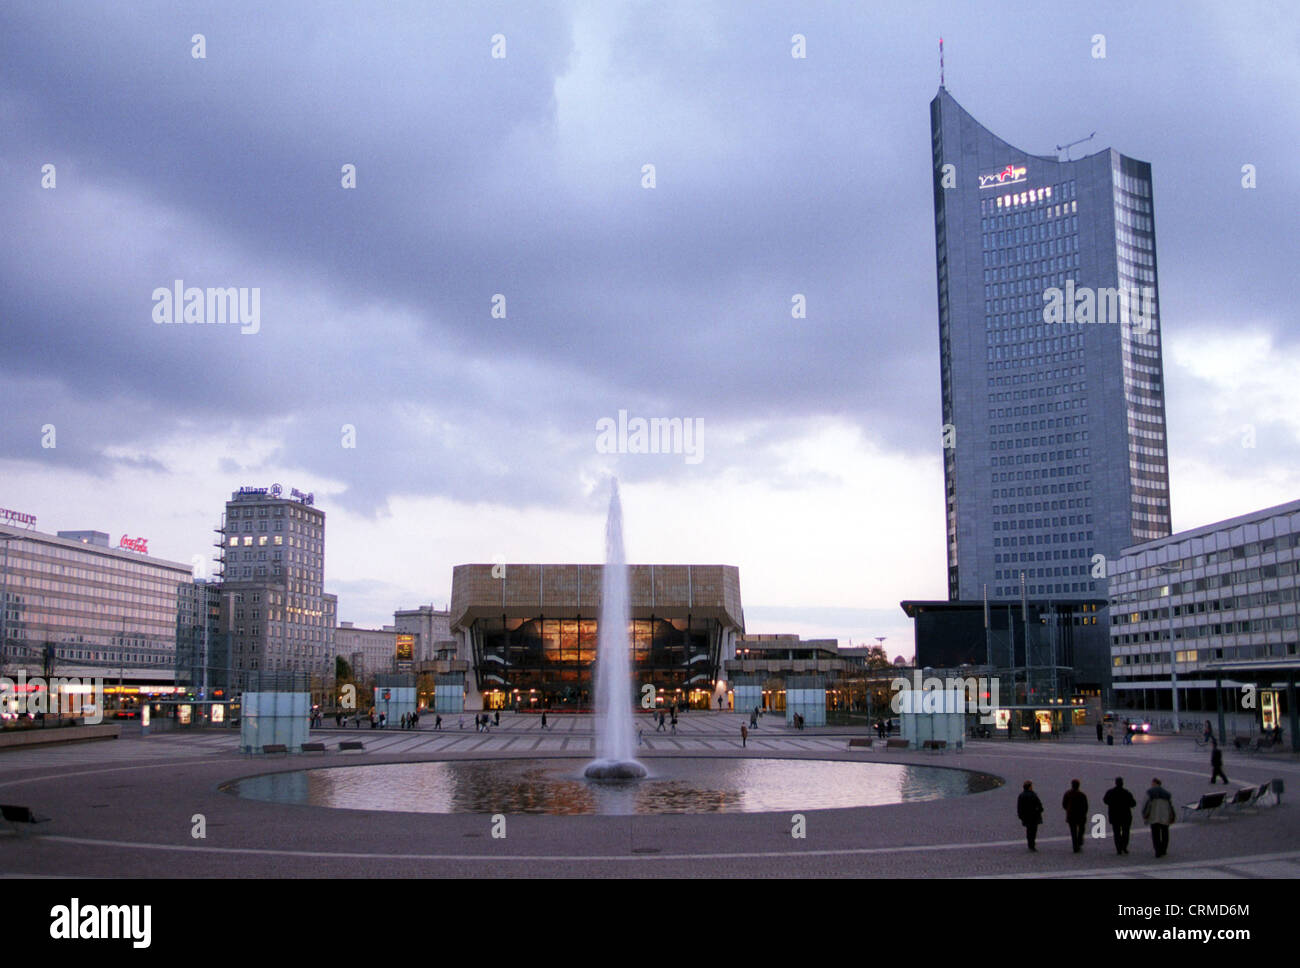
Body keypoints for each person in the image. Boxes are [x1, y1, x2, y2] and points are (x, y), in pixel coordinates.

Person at [1141, 777, 1175, 857]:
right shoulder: (1167, 794)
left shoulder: (1150, 792)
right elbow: (1170, 806)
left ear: (1155, 783)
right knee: (1165, 833)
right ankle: (1164, 849)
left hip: (1154, 816)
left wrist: (1145, 814)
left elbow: (1145, 805)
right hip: (1164, 816)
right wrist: (1172, 816)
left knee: (1155, 835)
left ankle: (1158, 851)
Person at [1102, 776, 1136, 855]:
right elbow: (1133, 803)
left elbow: (1105, 800)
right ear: (1122, 783)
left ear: (1115, 783)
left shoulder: (1110, 792)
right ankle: (1124, 846)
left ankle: (1118, 848)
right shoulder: (1126, 793)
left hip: (1114, 816)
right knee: (1125, 832)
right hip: (1125, 816)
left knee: (1116, 833)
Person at [1062, 779, 1088, 853]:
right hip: (1080, 815)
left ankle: (1075, 846)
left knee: (1073, 831)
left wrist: (1068, 810)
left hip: (1071, 815)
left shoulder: (1067, 794)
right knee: (1081, 830)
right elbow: (1085, 806)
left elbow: (1064, 804)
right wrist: (1084, 813)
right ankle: (1079, 842)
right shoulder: (1082, 795)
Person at [1017, 780, 1044, 852]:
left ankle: (1030, 843)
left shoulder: (1021, 795)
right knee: (1033, 830)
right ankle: (1032, 844)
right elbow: (1039, 805)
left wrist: (1020, 816)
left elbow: (1019, 807)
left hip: (1026, 816)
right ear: (1029, 787)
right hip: (1034, 816)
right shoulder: (1033, 795)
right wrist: (1040, 810)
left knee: (1029, 830)